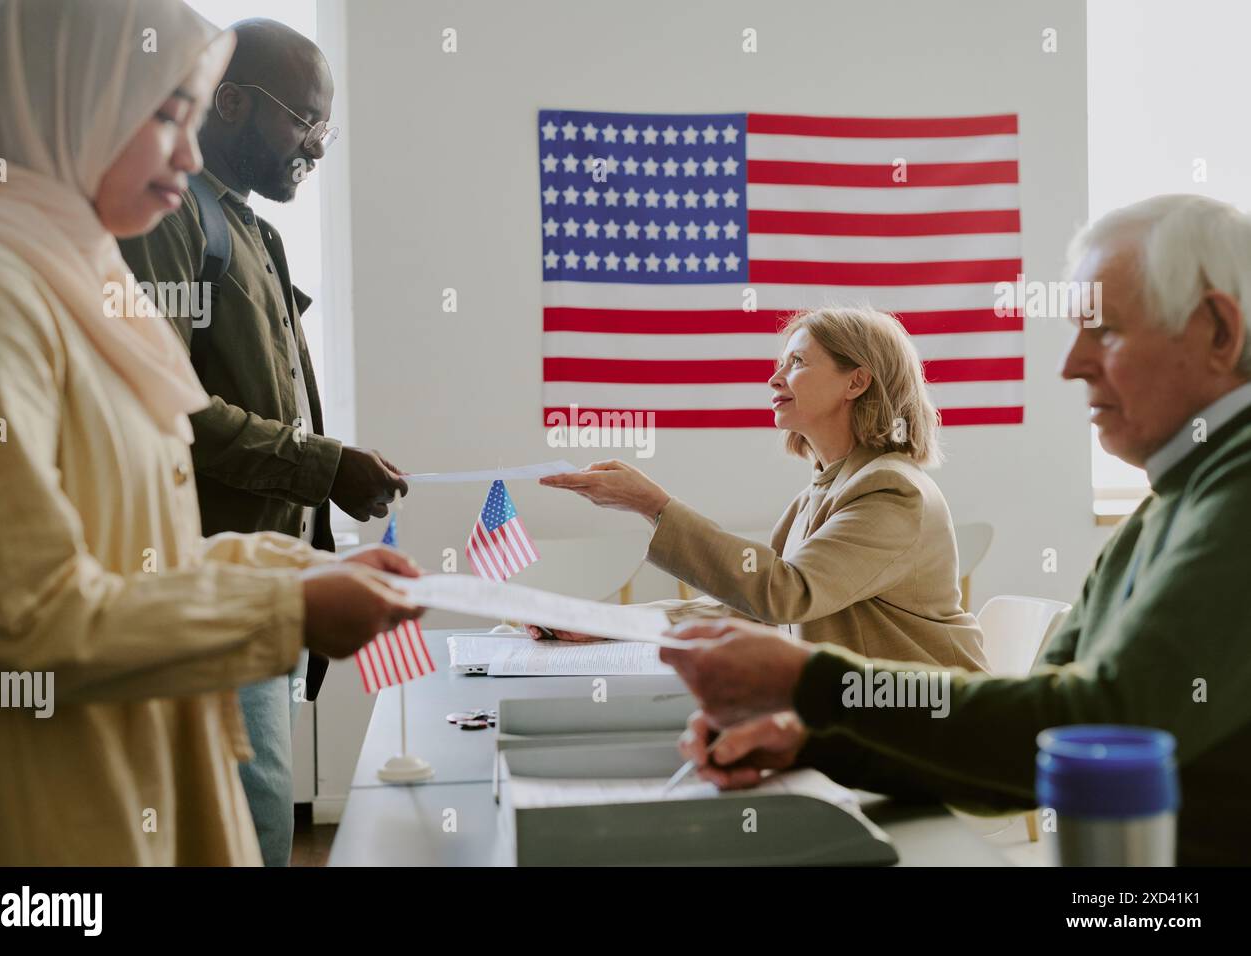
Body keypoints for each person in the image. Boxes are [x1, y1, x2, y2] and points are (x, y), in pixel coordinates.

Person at [0, 0, 421, 866]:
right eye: (166, 115)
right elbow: (18, 621)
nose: (189, 151)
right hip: (54, 818)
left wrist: (300, 568)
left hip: (145, 748)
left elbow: (144, 550)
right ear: (62, 98)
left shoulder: (73, 274)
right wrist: (289, 603)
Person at [660, 194, 1251, 866]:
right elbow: (1037, 741)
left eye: (1104, 331)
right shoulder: (1170, 502)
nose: (1071, 364)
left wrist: (814, 686)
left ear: (1217, 332)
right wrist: (816, 741)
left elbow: (1094, 723)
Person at [117, 18, 408, 865]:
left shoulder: (253, 231)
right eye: (302, 121)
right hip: (214, 595)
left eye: (326, 127)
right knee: (252, 840)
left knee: (260, 834)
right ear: (233, 103)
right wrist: (325, 466)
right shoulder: (168, 222)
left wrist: (331, 481)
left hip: (275, 586)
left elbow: (263, 404)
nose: (314, 144)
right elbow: (173, 411)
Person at [535, 306, 986, 671]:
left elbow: (785, 594)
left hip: (923, 726)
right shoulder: (823, 491)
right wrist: (605, 621)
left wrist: (653, 506)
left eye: (797, 362)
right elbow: (748, 610)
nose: (774, 379)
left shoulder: (891, 491)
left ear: (857, 381)